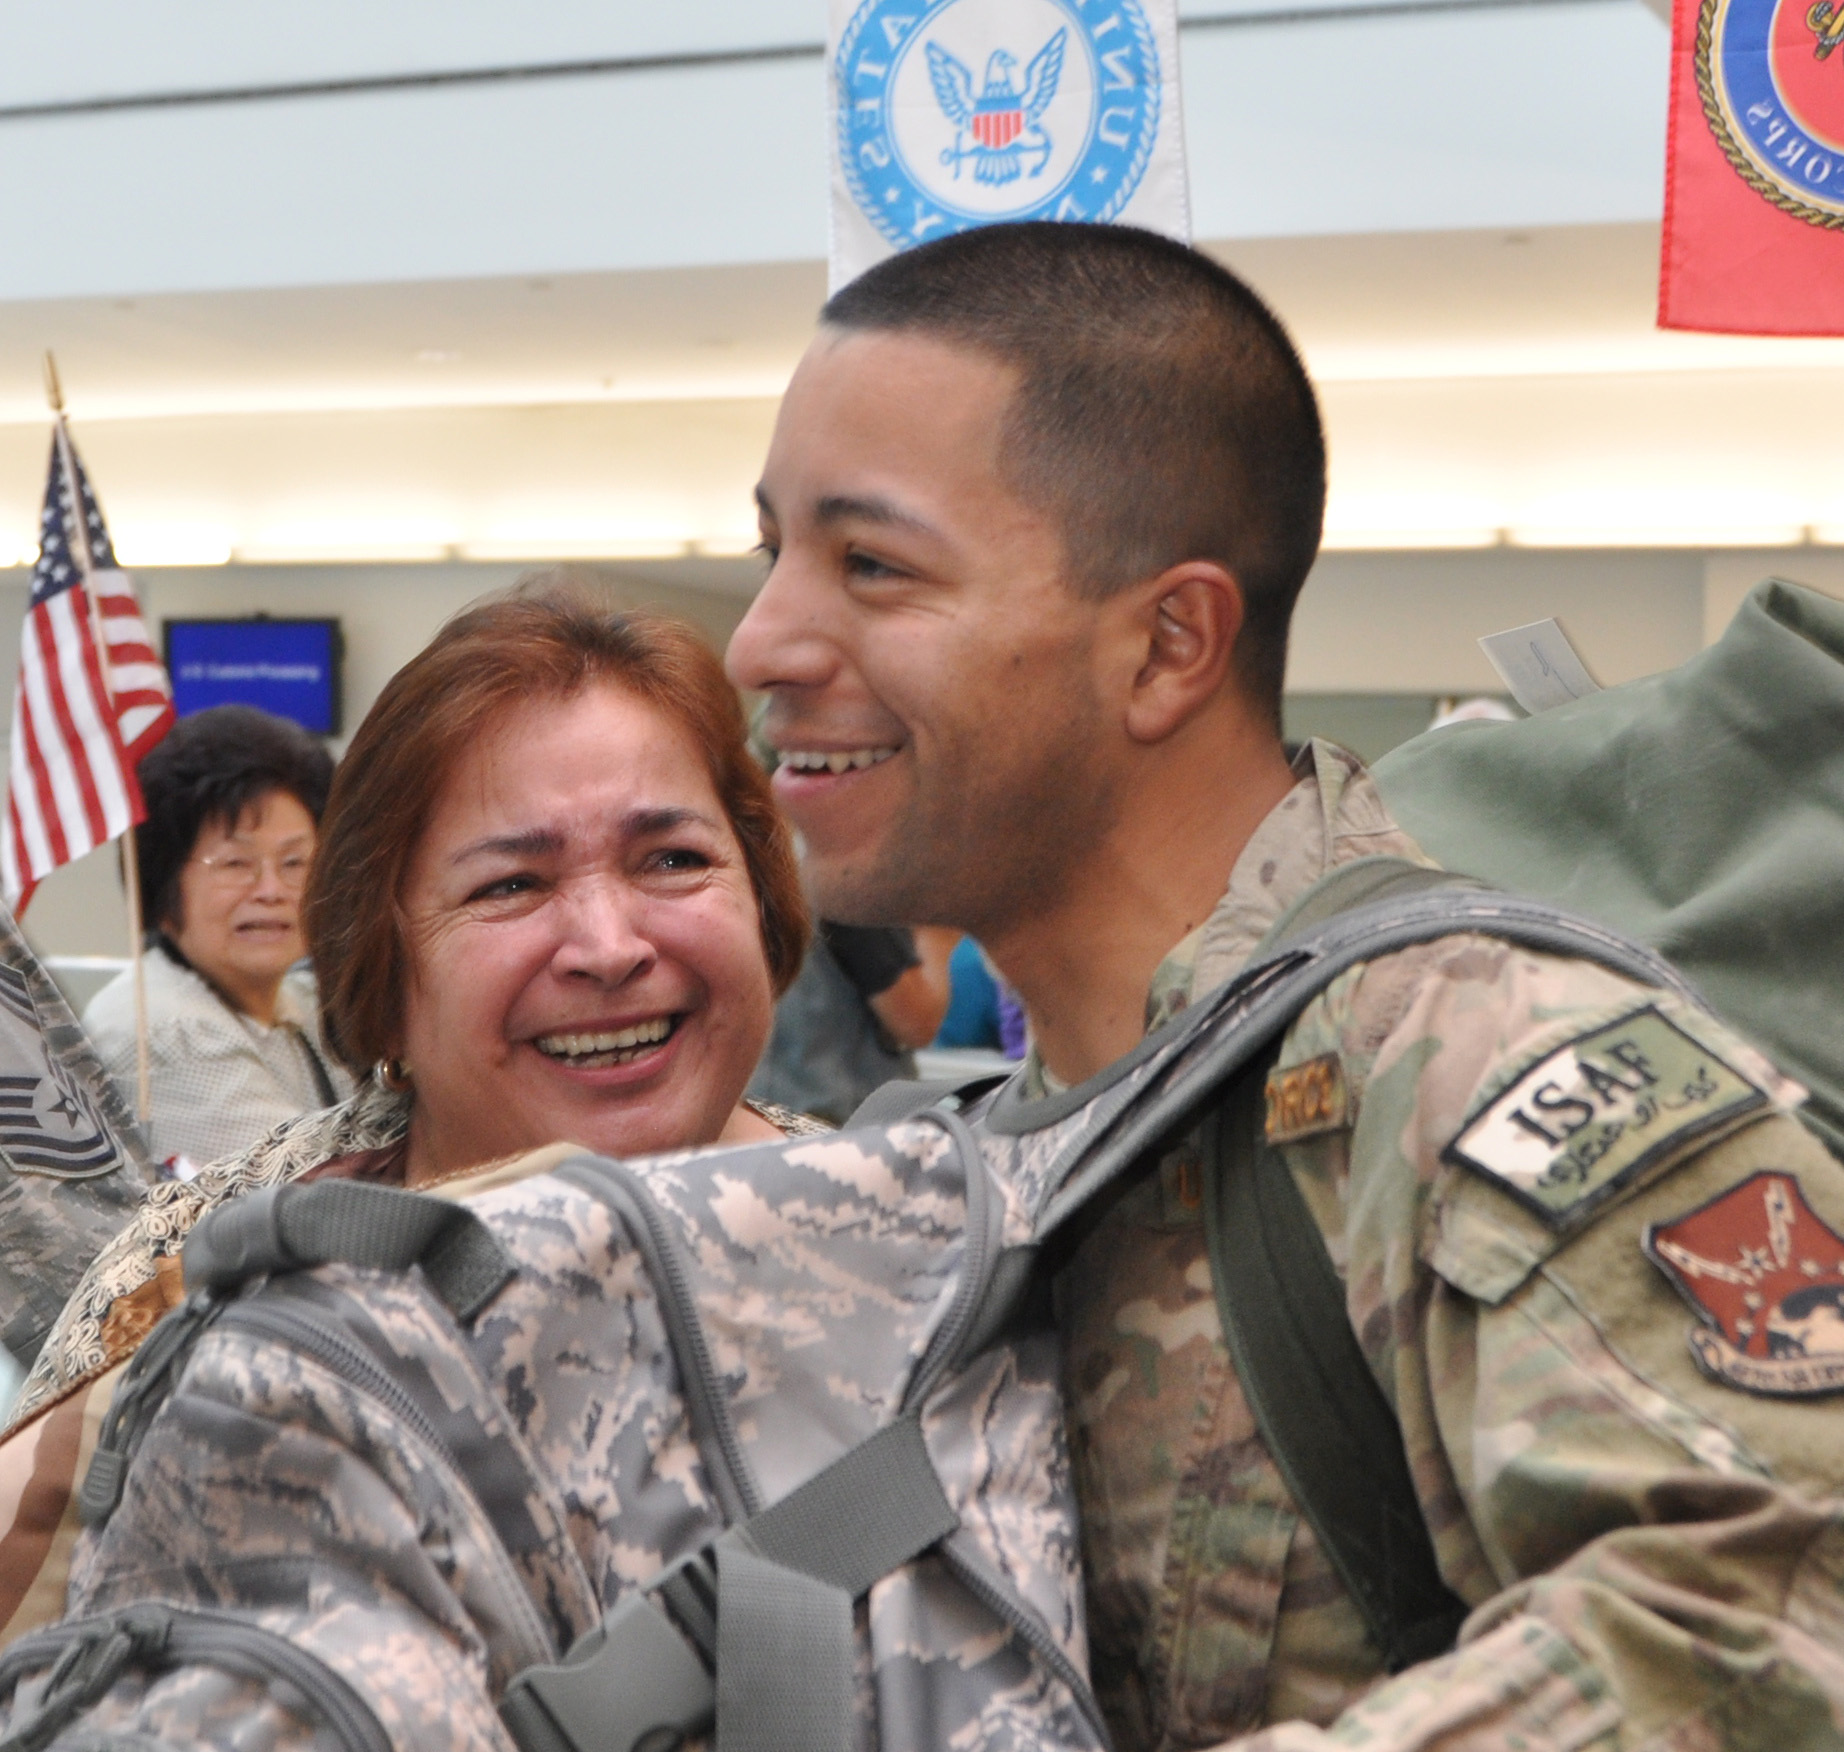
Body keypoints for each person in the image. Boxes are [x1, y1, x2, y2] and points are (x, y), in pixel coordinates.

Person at [721, 222, 1844, 1748]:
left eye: (871, 565)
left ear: (1169, 644)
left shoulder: (1471, 1062)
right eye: (771, 548)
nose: (763, 638)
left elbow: (1766, 1608)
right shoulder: (1018, 1143)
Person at [0, 582, 816, 1640]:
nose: (610, 945)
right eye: (510, 885)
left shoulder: (909, 1254)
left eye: (672, 860)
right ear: (384, 965)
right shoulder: (194, 1272)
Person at [82, 705, 349, 1172]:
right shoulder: (161, 1028)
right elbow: (315, 1193)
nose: (271, 891)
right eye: (235, 864)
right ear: (163, 884)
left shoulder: (302, 1003)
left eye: (295, 863)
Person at [746, 915, 956, 1122]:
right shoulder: (848, 893)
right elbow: (917, 1024)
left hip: (760, 1115)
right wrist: (939, 930)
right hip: (839, 1126)